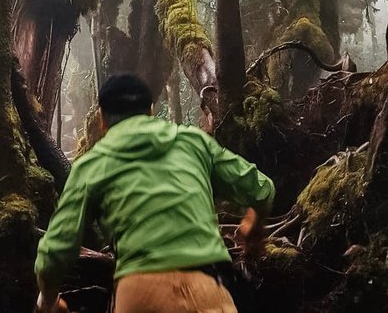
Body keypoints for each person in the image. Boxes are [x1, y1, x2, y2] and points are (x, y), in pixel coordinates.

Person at [35, 73, 275, 313]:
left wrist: (49, 301)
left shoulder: (92, 164)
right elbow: (262, 188)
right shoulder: (194, 142)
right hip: (209, 289)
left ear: (102, 120)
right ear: (151, 110)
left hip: (140, 295)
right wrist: (252, 225)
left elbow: (54, 252)